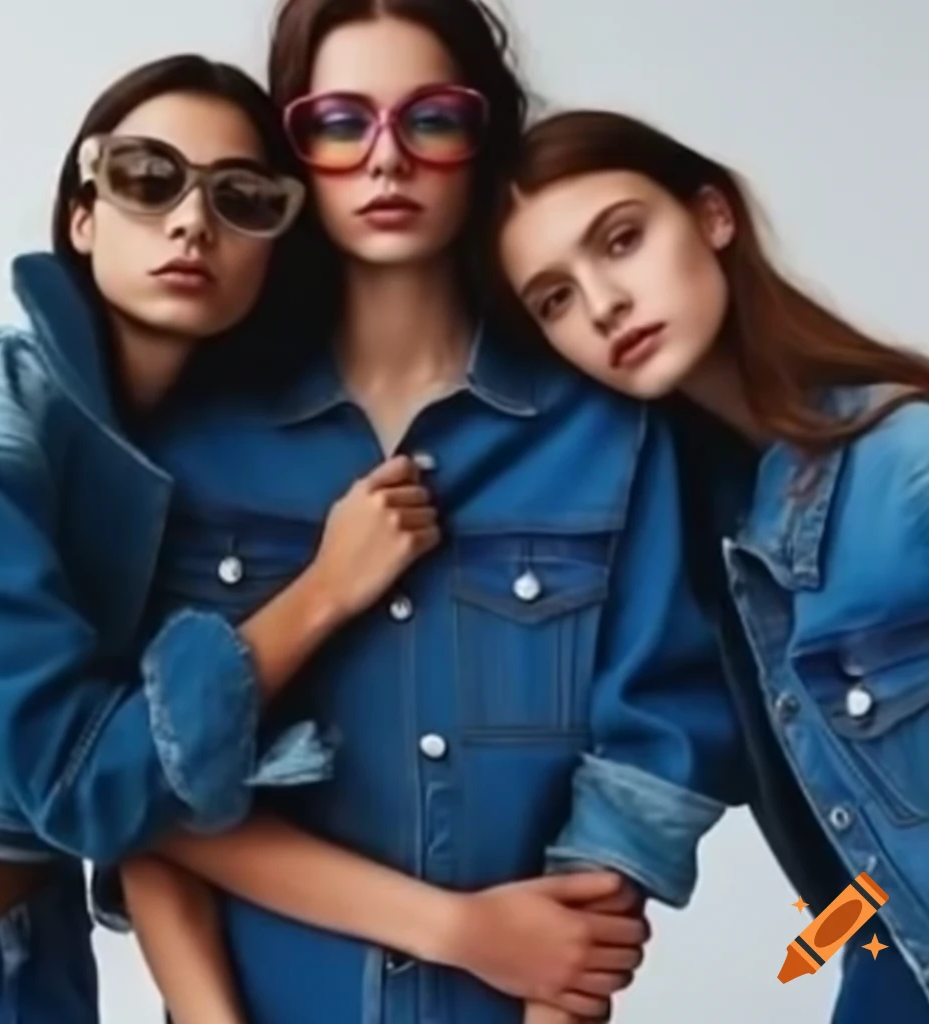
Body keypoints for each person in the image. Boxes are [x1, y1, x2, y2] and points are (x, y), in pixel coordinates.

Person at [119, 2, 750, 1023]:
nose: (385, 161)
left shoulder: (609, 431)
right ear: (291, 152)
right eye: (337, 123)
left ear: (483, 137)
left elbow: (649, 757)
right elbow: (135, 782)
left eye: (431, 119)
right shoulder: (187, 437)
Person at [0, 52, 454, 1022]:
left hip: (37, 954)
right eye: (147, 179)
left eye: (242, 199)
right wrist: (324, 589)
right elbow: (81, 784)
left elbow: (162, 796)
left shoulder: (177, 460)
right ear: (83, 215)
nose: (192, 220)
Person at [497, 107, 929, 1022]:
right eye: (555, 298)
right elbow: (661, 755)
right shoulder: (693, 536)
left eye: (621, 240)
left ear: (713, 216)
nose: (604, 302)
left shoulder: (908, 468)